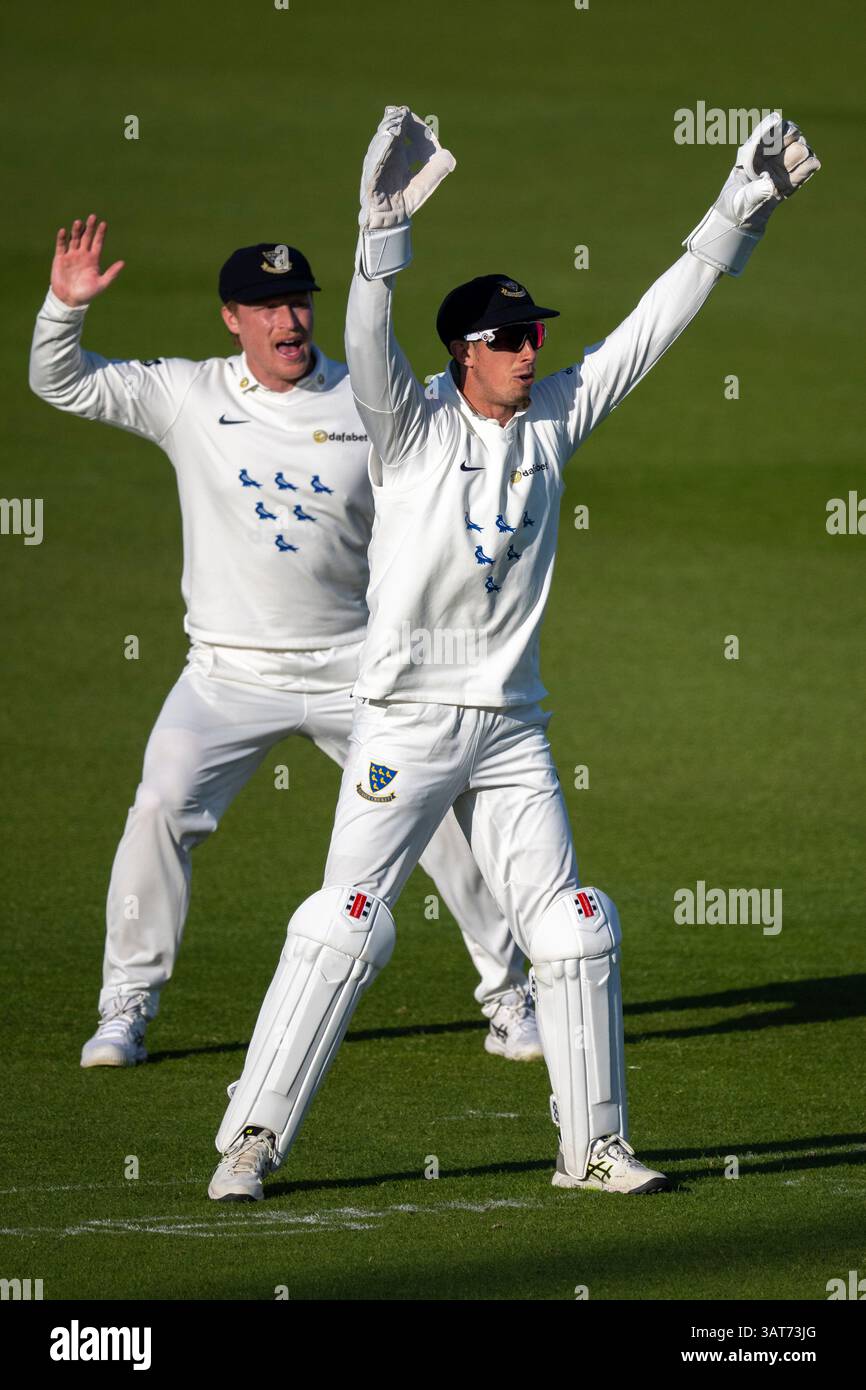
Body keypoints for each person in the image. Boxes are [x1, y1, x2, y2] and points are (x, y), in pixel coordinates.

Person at [207, 106, 819, 1201]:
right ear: (462, 351)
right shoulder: (407, 424)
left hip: (509, 731)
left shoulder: (551, 420)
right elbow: (363, 345)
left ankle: (589, 1149)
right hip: (401, 722)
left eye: (535, 334)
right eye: (511, 338)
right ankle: (251, 1138)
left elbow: (649, 326)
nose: (533, 350)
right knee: (342, 926)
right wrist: (378, 236)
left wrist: (739, 209)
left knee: (575, 929)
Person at [28, 220, 544, 1070]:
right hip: (226, 673)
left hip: (359, 666)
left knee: (444, 821)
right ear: (233, 318)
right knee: (158, 808)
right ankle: (127, 1003)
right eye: (268, 307)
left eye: (299, 302)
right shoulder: (187, 395)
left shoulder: (370, 402)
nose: (290, 322)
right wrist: (62, 307)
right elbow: (61, 383)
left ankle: (507, 995)